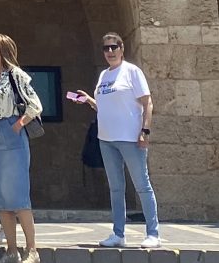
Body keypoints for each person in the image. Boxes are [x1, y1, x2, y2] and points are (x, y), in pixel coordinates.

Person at [68, 32, 160, 248]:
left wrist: (145, 131)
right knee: (116, 187)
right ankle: (118, 234)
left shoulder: (132, 72)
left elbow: (148, 103)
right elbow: (105, 106)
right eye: (106, 48)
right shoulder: (104, 76)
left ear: (122, 48)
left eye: (114, 47)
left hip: (130, 138)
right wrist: (89, 100)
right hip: (106, 139)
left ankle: (153, 233)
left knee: (142, 185)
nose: (110, 51)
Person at [0, 32, 44, 263]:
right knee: (0, 198)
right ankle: (12, 251)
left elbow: (36, 104)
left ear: (1, 50)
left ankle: (32, 250)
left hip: (11, 134)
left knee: (17, 196)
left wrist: (19, 123)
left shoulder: (16, 75)